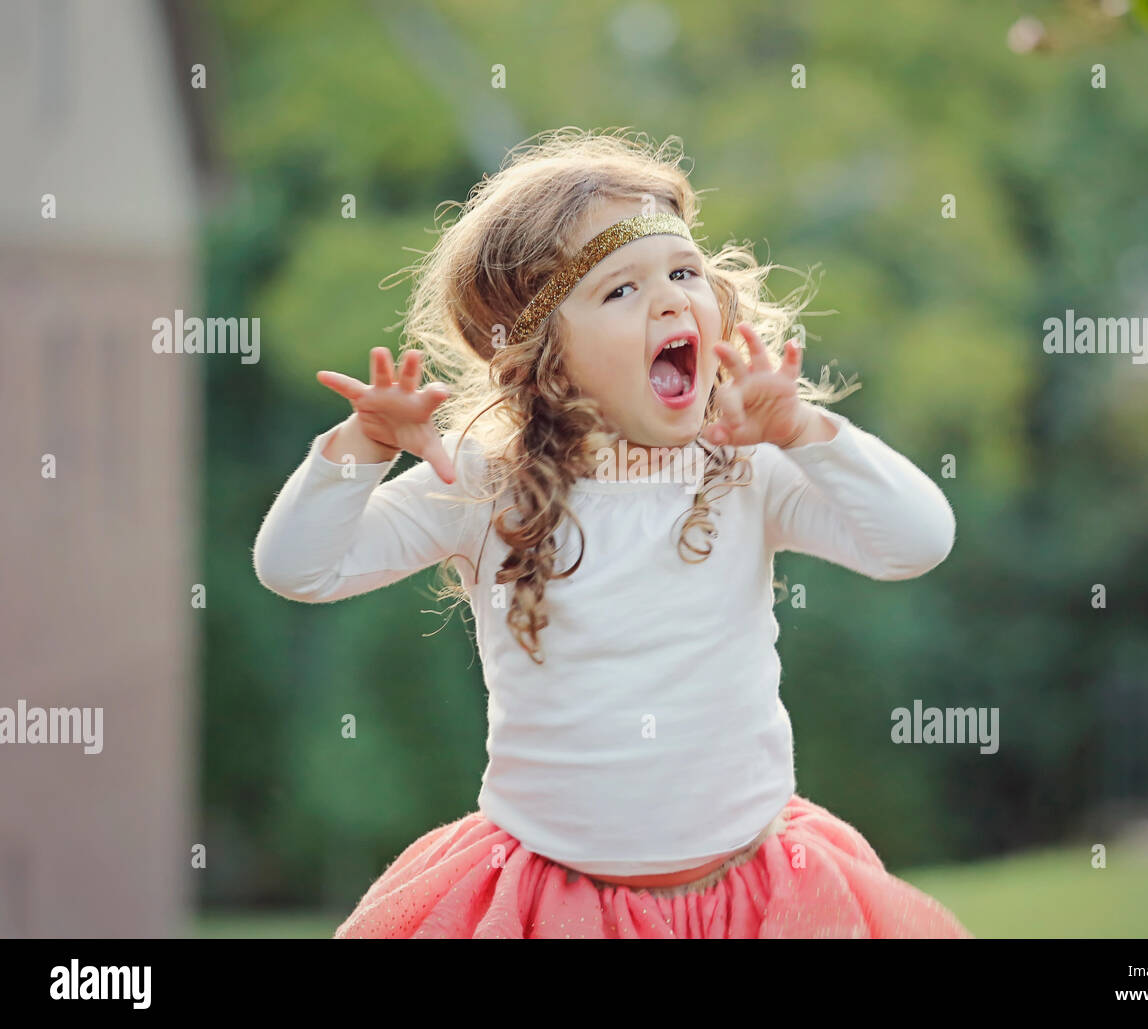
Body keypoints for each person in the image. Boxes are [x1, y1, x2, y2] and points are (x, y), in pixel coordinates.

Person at [252, 127, 972, 938]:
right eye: (620, 290)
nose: (670, 299)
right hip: (556, 903)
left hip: (758, 893)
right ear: (540, 355)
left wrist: (804, 429)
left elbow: (917, 541)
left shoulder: (744, 470)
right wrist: (362, 448)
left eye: (683, 272)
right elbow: (298, 569)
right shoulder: (485, 485)